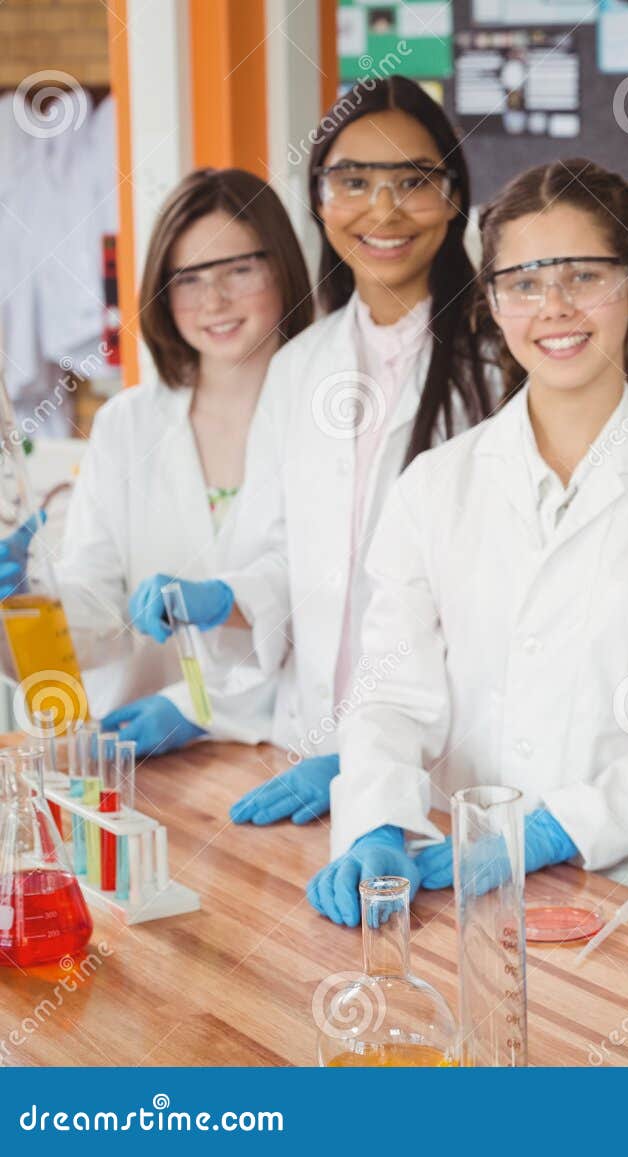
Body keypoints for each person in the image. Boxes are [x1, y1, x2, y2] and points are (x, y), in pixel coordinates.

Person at [305, 159, 628, 925]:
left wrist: (548, 830)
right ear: (494, 303)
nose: (555, 307)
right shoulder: (434, 488)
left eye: (582, 276)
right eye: (525, 284)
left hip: (626, 894)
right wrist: (374, 819)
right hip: (448, 883)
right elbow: (392, 696)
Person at [125, 77, 496, 824]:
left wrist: (375, 758)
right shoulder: (301, 367)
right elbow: (283, 552)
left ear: (455, 196)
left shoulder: (496, 368)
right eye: (353, 181)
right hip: (303, 754)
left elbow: (494, 608)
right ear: (321, 199)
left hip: (446, 775)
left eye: (414, 181)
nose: (382, 210)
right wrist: (228, 596)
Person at [0, 168, 312, 755]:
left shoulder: (329, 413)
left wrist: (200, 706)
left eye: (239, 270)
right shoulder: (127, 423)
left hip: (283, 752)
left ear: (283, 267)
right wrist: (27, 602)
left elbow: (336, 610)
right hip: (142, 762)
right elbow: (98, 602)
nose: (213, 301)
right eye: (188, 279)